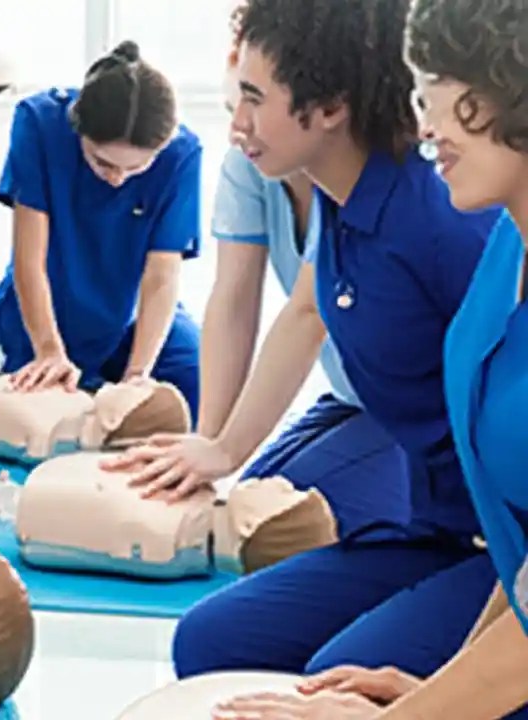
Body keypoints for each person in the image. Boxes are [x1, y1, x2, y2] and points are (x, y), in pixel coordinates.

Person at [107, 0, 504, 684]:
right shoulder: (341, 195)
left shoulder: (442, 218)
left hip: (504, 553)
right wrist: (222, 448)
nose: (236, 124)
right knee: (210, 640)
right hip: (435, 529)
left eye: (255, 100)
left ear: (329, 108)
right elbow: (301, 310)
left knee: (333, 674)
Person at [217, 0, 528, 716]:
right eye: (426, 93)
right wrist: (439, 683)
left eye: (452, 95)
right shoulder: (506, 246)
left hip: (473, 559)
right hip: (470, 556)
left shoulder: (451, 227)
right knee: (233, 650)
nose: (427, 125)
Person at [187, 16, 411, 538]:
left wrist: (224, 452)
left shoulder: (358, 175)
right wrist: (207, 445)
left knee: (270, 525)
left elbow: (308, 316)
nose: (237, 121)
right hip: (351, 399)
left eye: (255, 95)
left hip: (407, 415)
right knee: (249, 497)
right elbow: (232, 301)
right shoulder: (250, 167)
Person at [0, 40, 203, 421]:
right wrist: (49, 351)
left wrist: (137, 377)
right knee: (43, 417)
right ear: (78, 130)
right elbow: (29, 260)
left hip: (130, 312)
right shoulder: (39, 123)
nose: (119, 180)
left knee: (193, 392)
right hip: (51, 304)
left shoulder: (182, 154)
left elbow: (161, 276)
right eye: (103, 163)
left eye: (136, 168)